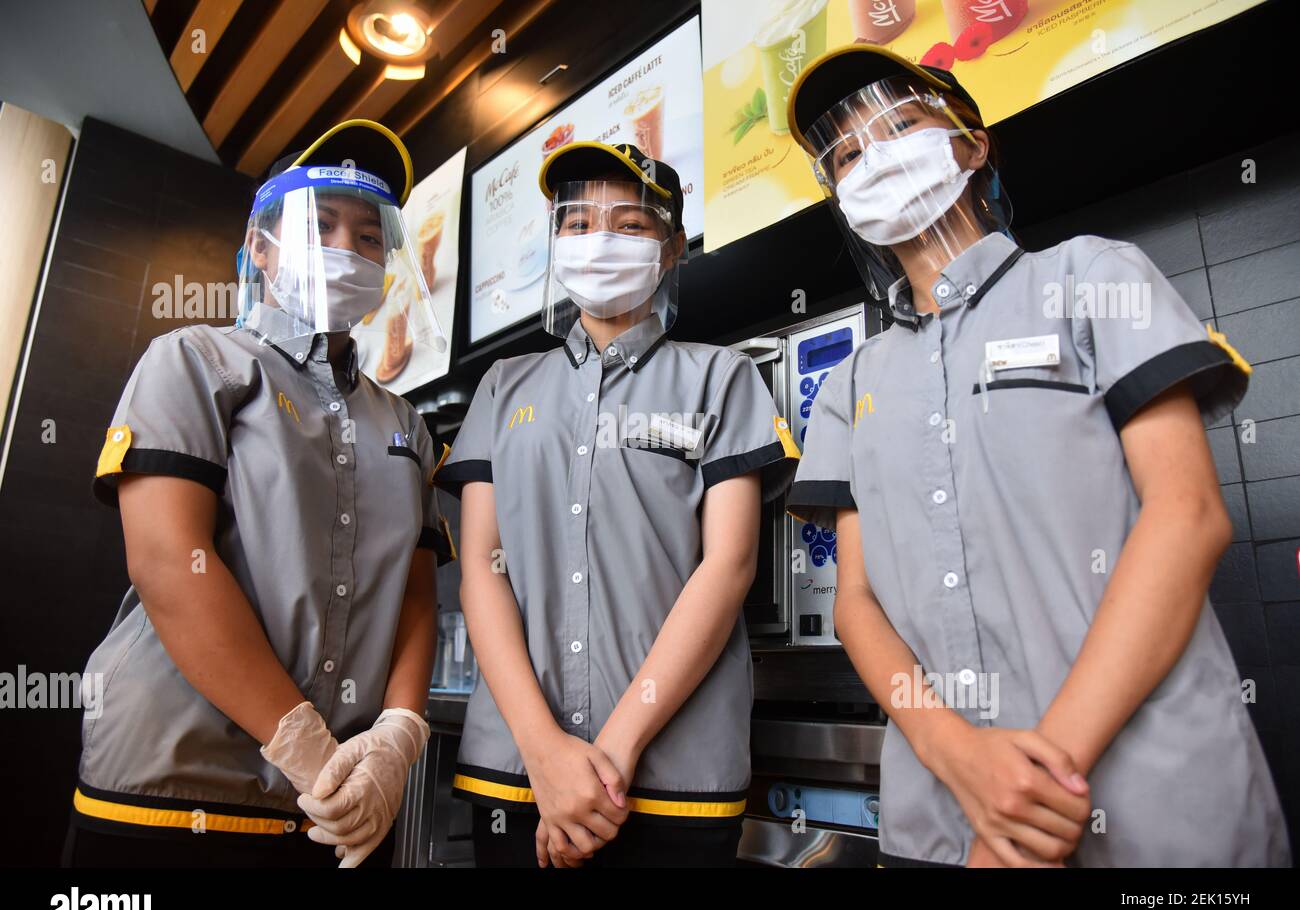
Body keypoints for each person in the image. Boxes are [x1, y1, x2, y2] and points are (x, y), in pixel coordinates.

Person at [784, 46, 1290, 867]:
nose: (874, 156)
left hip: (1155, 816)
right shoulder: (850, 383)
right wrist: (961, 760)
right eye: (847, 154)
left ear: (972, 144)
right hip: (939, 821)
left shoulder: (1095, 277)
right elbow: (857, 601)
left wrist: (1030, 789)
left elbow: (1188, 514)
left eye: (901, 124)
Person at [64, 120, 454, 868]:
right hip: (171, 793)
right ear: (262, 250)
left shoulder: (403, 421)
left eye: (370, 236)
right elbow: (169, 559)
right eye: (321, 223)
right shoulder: (194, 360)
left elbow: (413, 589)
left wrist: (398, 737)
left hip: (327, 816)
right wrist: (308, 750)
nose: (346, 247)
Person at [438, 142, 800, 867]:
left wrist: (607, 758)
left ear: (671, 251)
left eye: (631, 225)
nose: (600, 239)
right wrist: (545, 753)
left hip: (674, 779)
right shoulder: (504, 387)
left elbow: (727, 568)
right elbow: (483, 568)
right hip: (516, 774)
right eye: (578, 224)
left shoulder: (719, 379)